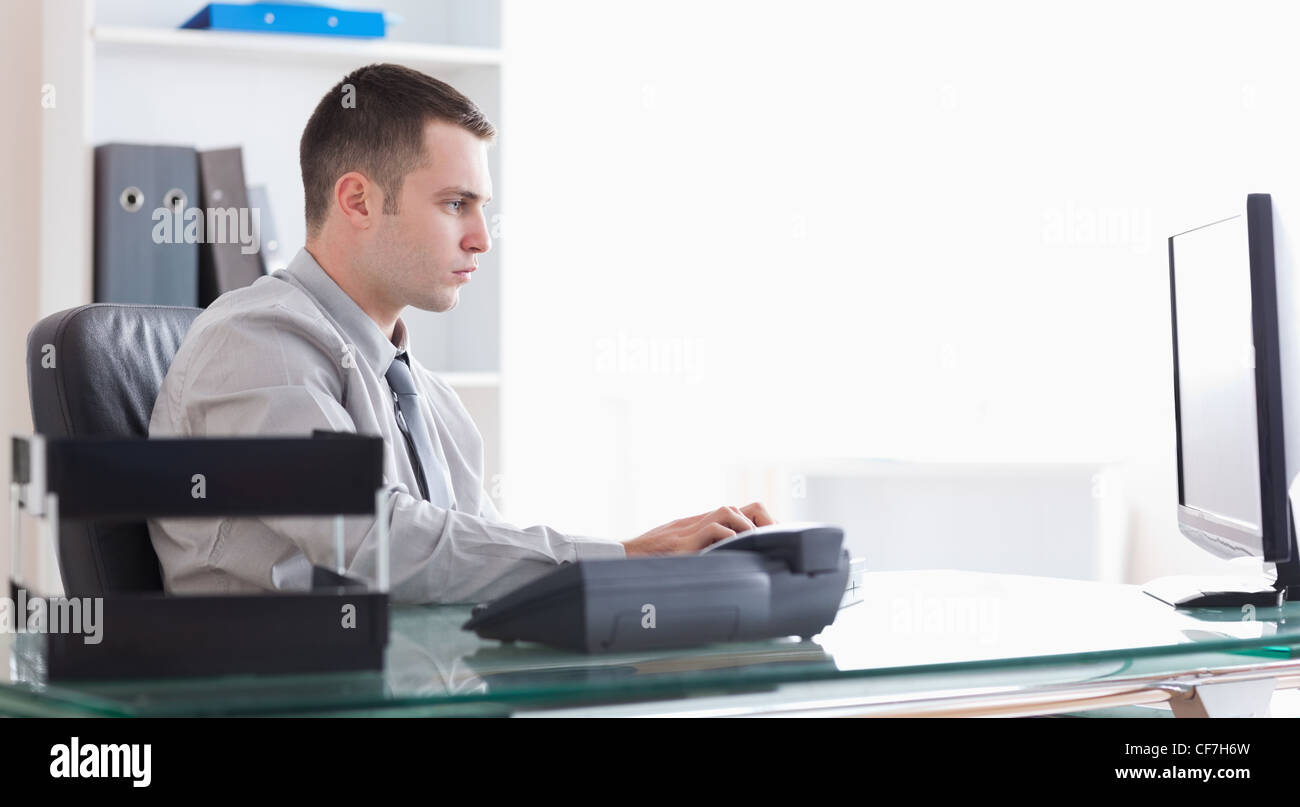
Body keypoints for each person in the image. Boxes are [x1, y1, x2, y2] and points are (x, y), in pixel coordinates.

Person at [147, 64, 774, 604]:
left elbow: (474, 568)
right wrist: (623, 556)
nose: (482, 237)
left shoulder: (430, 400)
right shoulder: (254, 342)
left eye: (483, 208)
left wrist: (660, 583)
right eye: (455, 204)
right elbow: (372, 539)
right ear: (359, 201)